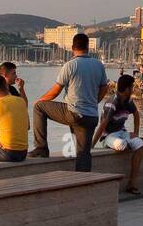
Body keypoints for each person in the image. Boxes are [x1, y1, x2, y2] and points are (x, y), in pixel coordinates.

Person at [30, 33, 108, 171]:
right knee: (84, 153)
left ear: (73, 47)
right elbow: (104, 89)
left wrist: (39, 100)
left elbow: (55, 92)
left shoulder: (70, 65)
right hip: (91, 116)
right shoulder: (98, 65)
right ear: (87, 47)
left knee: (39, 107)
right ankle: (83, 183)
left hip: (74, 113)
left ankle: (41, 148)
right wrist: (94, 103)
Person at [93, 74, 143, 194]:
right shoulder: (112, 103)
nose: (133, 90)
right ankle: (128, 143)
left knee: (139, 145)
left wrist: (136, 133)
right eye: (132, 87)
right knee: (122, 145)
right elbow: (102, 125)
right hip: (108, 136)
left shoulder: (128, 101)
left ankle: (132, 184)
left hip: (122, 132)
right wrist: (91, 145)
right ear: (127, 89)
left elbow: (136, 115)